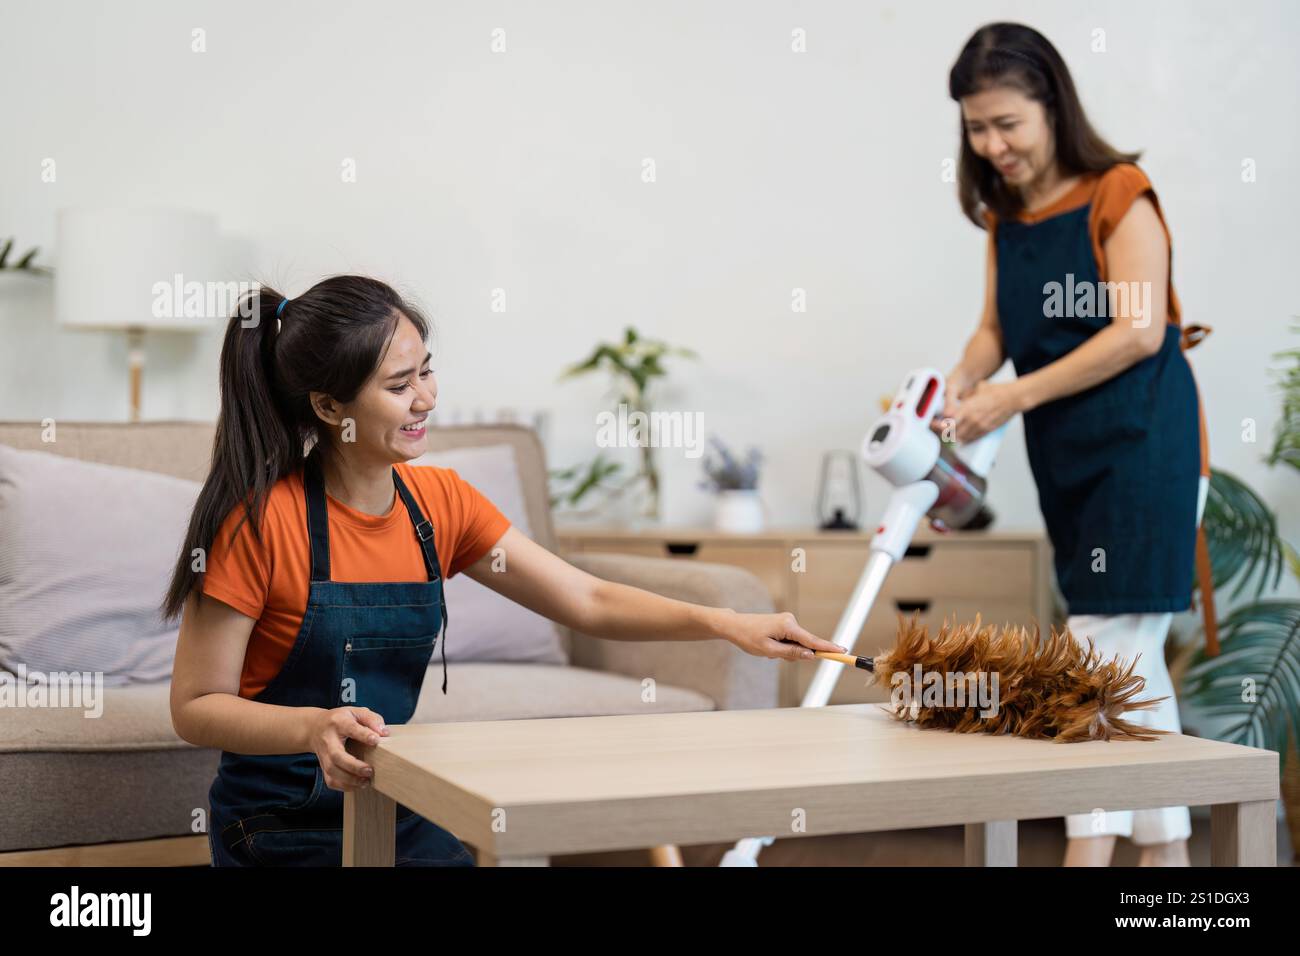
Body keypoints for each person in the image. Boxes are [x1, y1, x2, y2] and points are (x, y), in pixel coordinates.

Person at [162, 275, 843, 866]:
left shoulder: (441, 506)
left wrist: (726, 623)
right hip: (276, 822)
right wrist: (312, 727)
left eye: (426, 370)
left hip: (392, 800)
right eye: (400, 385)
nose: (426, 398)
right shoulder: (260, 525)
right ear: (328, 407)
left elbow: (589, 599)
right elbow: (195, 708)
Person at [942, 23, 1213, 867]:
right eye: (976, 128)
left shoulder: (1118, 192)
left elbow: (1137, 331)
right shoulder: (1007, 216)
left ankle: (1086, 856)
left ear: (1051, 106)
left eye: (1007, 124)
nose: (992, 145)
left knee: (1099, 650)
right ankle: (1167, 868)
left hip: (1148, 448)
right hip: (1068, 455)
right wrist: (959, 382)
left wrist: (1011, 395)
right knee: (1132, 658)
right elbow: (995, 327)